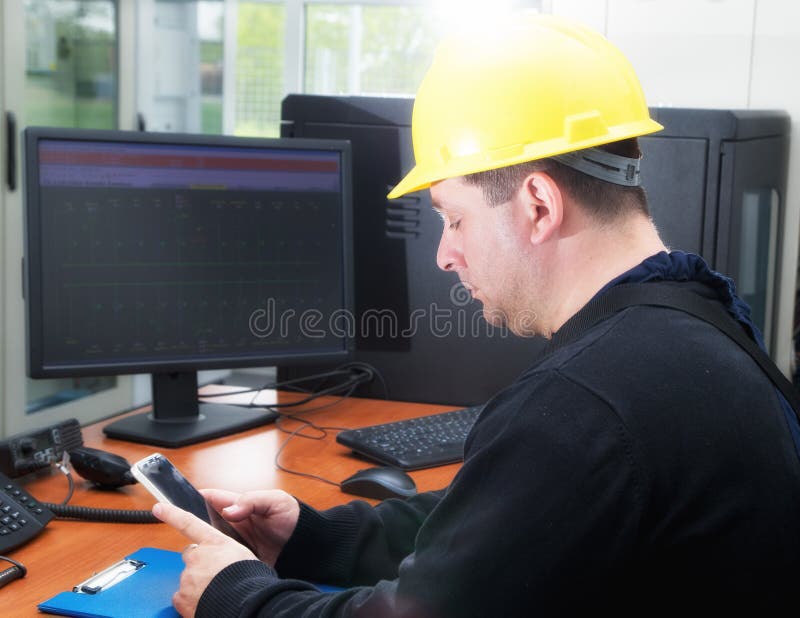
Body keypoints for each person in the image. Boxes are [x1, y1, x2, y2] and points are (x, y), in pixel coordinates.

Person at [154, 14, 800, 617]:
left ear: (539, 205)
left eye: (454, 218)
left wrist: (238, 597)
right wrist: (315, 537)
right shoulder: (697, 320)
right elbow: (514, 523)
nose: (444, 254)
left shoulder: (586, 401)